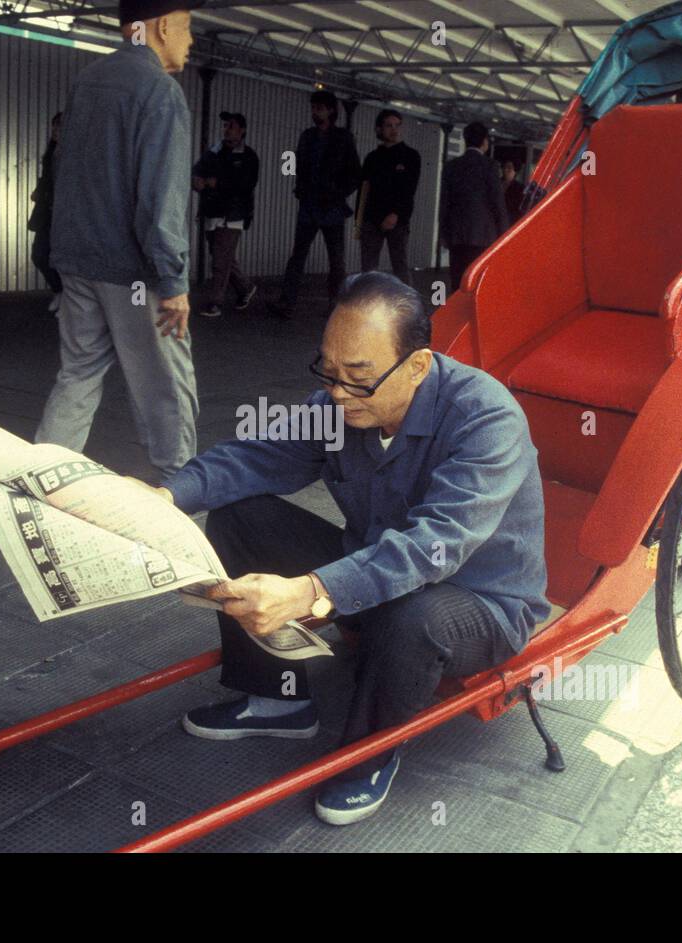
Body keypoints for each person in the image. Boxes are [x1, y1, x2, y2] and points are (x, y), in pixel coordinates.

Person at [146, 271, 550, 826]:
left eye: (357, 377)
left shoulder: (485, 418)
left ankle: (369, 753)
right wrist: (161, 497)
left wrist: (310, 592)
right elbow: (258, 456)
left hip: (477, 602)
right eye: (328, 372)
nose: (337, 393)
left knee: (416, 614)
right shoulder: (340, 406)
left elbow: (436, 546)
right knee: (242, 517)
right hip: (375, 575)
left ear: (417, 365)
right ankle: (277, 700)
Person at [35, 0, 203, 481]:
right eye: (189, 29)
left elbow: (66, 172)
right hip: (133, 273)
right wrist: (173, 281)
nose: (191, 42)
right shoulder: (160, 92)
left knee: (78, 374)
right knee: (166, 388)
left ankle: (39, 480)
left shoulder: (89, 80)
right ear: (165, 25)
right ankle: (180, 494)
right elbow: (160, 198)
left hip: (77, 262)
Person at [270, 90, 361, 319]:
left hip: (330, 206)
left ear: (331, 110)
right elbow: (298, 165)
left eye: (319, 108)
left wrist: (337, 193)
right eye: (314, 108)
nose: (315, 112)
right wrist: (301, 189)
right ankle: (287, 302)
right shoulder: (308, 136)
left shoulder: (343, 138)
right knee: (299, 255)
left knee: (335, 259)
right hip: (311, 205)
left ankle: (336, 304)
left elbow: (354, 173)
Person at [192, 110, 260, 318]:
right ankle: (246, 287)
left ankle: (215, 302)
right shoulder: (214, 151)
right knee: (222, 255)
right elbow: (198, 169)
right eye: (225, 126)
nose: (226, 130)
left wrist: (216, 183)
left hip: (233, 215)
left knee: (220, 261)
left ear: (242, 130)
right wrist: (196, 180)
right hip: (212, 212)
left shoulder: (248, 157)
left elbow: (246, 184)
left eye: (231, 126)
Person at [440, 122, 508, 292]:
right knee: (478, 284)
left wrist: (444, 234)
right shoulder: (490, 166)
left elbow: (444, 203)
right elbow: (497, 202)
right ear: (485, 141)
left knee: (457, 282)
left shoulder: (451, 166)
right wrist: (504, 233)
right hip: (483, 237)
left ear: (465, 140)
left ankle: (453, 316)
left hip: (456, 236)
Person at [357, 109, 421, 284]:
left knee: (400, 265)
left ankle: (409, 308)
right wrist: (359, 222)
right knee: (368, 268)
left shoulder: (411, 156)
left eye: (397, 125)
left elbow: (409, 190)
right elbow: (364, 191)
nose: (394, 129)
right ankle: (369, 306)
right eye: (388, 125)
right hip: (371, 220)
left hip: (398, 220)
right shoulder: (372, 158)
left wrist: (395, 214)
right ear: (379, 129)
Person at [29, 111, 63, 311]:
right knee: (39, 255)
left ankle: (64, 295)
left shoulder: (73, 154)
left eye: (59, 127)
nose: (55, 131)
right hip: (49, 212)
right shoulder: (52, 153)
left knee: (53, 256)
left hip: (64, 215)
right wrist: (39, 191)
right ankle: (60, 292)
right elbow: (47, 179)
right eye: (54, 127)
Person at [501, 159, 526, 229]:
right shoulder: (496, 183)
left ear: (515, 171)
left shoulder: (520, 188)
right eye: (504, 167)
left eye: (509, 168)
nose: (505, 170)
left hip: (510, 223)